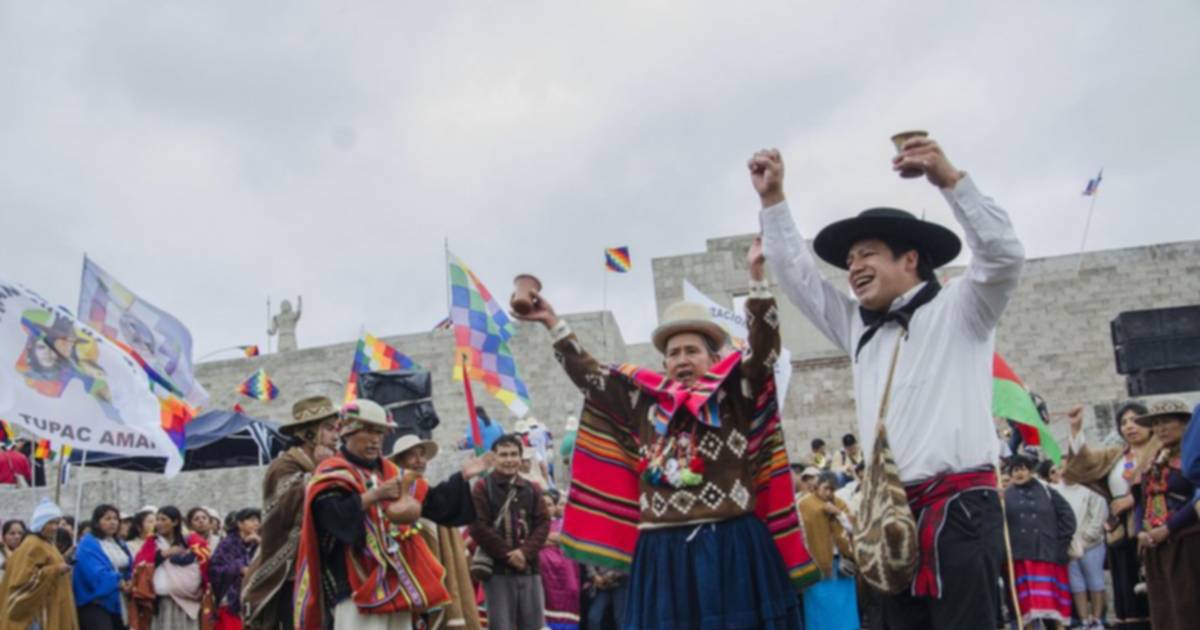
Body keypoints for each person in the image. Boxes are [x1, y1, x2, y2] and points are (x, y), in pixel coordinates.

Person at [753, 137, 1025, 629]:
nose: (854, 267)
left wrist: (950, 181)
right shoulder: (857, 325)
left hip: (958, 512)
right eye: (850, 259)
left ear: (910, 259)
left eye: (868, 254)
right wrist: (773, 202)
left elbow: (1004, 257)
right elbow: (801, 282)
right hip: (885, 519)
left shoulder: (962, 308)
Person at [514, 236, 814, 629]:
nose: (682, 360)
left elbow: (764, 352)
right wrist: (554, 324)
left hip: (731, 544)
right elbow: (590, 375)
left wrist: (756, 280)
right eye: (674, 354)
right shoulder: (644, 402)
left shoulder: (736, 394)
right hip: (662, 552)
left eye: (692, 351)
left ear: (714, 358)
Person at [294, 399, 452, 629]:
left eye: (380, 432)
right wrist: (373, 496)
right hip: (353, 582)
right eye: (368, 431)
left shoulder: (391, 473)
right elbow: (332, 518)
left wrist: (464, 479)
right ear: (347, 433)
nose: (376, 439)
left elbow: (433, 502)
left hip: (396, 580)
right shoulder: (331, 473)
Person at [241, 395, 339, 630]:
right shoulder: (283, 466)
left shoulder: (333, 462)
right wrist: (322, 472)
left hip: (324, 567)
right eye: (328, 428)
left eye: (337, 428)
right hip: (290, 571)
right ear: (308, 433)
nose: (336, 435)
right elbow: (287, 510)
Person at [1062, 401, 1157, 629]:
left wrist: (1133, 499)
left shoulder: (1161, 451)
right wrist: (1076, 429)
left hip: (1153, 526)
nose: (1129, 426)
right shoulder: (1116, 456)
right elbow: (1082, 466)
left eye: (1135, 420)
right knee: (1127, 585)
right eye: (1123, 422)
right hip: (1121, 531)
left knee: (1154, 585)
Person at [388, 433, 490, 630]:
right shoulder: (392, 490)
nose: (419, 460)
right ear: (400, 460)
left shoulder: (425, 488)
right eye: (412, 455)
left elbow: (443, 503)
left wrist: (463, 477)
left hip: (437, 559)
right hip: (409, 564)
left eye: (422, 454)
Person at [469, 435, 551, 630]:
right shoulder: (482, 488)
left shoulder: (532, 489)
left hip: (529, 569)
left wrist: (524, 553)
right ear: (494, 458)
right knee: (501, 626)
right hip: (497, 572)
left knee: (534, 626)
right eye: (503, 454)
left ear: (521, 458)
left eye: (514, 454)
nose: (509, 459)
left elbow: (543, 523)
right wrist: (508, 554)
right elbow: (477, 526)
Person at [1134, 399, 1200, 630]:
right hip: (1156, 546)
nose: (1160, 429)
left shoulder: (1193, 461)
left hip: (1188, 542)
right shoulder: (1154, 461)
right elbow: (1142, 499)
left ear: (1186, 424)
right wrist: (1140, 531)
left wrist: (1169, 528)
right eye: (1156, 424)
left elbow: (1196, 500)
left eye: (1167, 422)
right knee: (1164, 608)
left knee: (1189, 606)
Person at [1004, 454, 1075, 629]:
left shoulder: (1047, 490)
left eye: (1023, 468)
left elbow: (1068, 517)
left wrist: (1061, 543)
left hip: (1048, 555)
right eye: (1015, 470)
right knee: (1027, 611)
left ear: (1030, 470)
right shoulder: (1005, 496)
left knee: (1054, 608)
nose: (1019, 473)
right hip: (1020, 559)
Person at [0, 498, 78, 630]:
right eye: (50, 523)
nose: (55, 527)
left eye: (57, 523)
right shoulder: (32, 544)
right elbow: (22, 582)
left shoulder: (46, 543)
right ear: (40, 523)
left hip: (52, 604)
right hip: (39, 612)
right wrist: (54, 570)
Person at [797, 472, 859, 630]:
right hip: (816, 566)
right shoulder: (805, 505)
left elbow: (854, 528)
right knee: (819, 608)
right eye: (826, 488)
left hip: (841, 564)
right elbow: (801, 534)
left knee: (845, 607)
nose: (829, 493)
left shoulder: (839, 503)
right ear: (817, 487)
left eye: (832, 489)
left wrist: (838, 513)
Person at [132, 505, 209, 630]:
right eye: (158, 520)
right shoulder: (152, 543)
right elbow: (140, 564)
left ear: (175, 522)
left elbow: (204, 563)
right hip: (163, 602)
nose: (159, 523)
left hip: (188, 601)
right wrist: (164, 554)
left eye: (163, 520)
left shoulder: (190, 541)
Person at [1056, 473, 1107, 629]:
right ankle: (1084, 620)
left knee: (1095, 581)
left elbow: (1098, 517)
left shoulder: (1090, 488)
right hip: (1069, 546)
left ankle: (1097, 620)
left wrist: (1086, 539)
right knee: (1076, 585)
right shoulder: (1056, 490)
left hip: (1091, 544)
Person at [73, 503, 133, 630]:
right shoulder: (87, 544)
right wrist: (119, 581)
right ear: (97, 522)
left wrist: (130, 581)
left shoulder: (119, 543)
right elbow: (94, 573)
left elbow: (129, 566)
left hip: (119, 600)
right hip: (95, 603)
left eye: (115, 518)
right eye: (107, 519)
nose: (113, 522)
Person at [210, 508, 260, 630]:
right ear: (240, 524)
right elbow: (215, 570)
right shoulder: (228, 543)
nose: (256, 523)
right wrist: (239, 568)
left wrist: (260, 543)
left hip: (256, 597)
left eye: (258, 520)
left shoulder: (259, 541)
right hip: (231, 600)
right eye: (252, 520)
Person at [537, 489, 581, 630]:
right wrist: (549, 540)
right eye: (542, 504)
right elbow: (530, 542)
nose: (546, 508)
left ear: (555, 507)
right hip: (544, 578)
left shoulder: (564, 523)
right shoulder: (532, 526)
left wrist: (546, 540)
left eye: (549, 505)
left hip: (567, 575)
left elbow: (568, 540)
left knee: (572, 594)